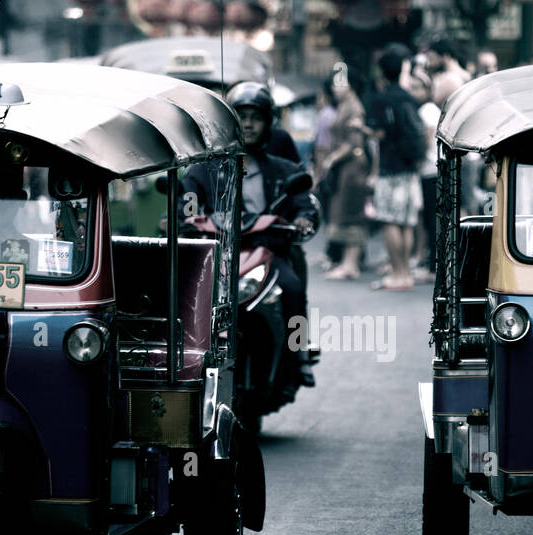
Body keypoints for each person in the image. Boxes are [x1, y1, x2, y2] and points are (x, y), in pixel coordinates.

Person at [182, 82, 318, 385]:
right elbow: (187, 204)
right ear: (229, 121)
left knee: (293, 288)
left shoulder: (284, 170)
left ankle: (299, 355)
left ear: (268, 122)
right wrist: (183, 218)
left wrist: (303, 220)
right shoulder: (201, 169)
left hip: (266, 252)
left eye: (256, 117)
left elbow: (303, 205)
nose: (249, 123)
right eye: (241, 116)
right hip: (216, 256)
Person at [366, 47, 426, 291]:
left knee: (390, 221)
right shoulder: (408, 97)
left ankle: (397, 274)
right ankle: (406, 274)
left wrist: (363, 129)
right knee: (407, 222)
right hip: (410, 167)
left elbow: (379, 132)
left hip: (390, 167)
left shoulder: (381, 98)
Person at [320, 72, 373, 281]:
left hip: (353, 168)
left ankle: (351, 264)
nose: (335, 88)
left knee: (351, 213)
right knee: (343, 212)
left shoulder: (354, 107)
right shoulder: (345, 105)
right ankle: (347, 262)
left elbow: (354, 142)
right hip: (345, 168)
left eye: (339, 84)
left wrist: (332, 158)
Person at [407, 67, 440, 282]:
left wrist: (416, 159)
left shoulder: (427, 110)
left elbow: (427, 138)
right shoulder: (427, 109)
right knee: (429, 219)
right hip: (430, 170)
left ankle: (432, 267)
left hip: (430, 170)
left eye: (418, 88)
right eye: (412, 87)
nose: (414, 92)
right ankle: (428, 264)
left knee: (430, 220)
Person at [423, 37, 470, 107]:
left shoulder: (449, 79)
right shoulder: (466, 74)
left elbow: (431, 102)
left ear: (445, 56)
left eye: (432, 58)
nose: (430, 63)